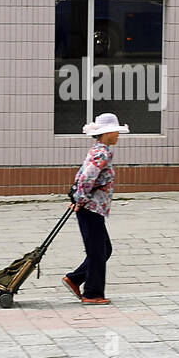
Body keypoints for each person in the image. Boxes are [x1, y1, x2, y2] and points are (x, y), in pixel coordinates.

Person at [62, 112, 128, 305]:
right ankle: (92, 294)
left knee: (103, 249)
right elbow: (86, 178)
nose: (117, 135)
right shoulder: (101, 153)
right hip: (90, 208)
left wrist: (77, 198)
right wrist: (79, 200)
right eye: (115, 131)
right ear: (106, 133)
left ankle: (74, 279)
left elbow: (83, 177)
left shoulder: (100, 150)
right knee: (98, 251)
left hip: (93, 207)